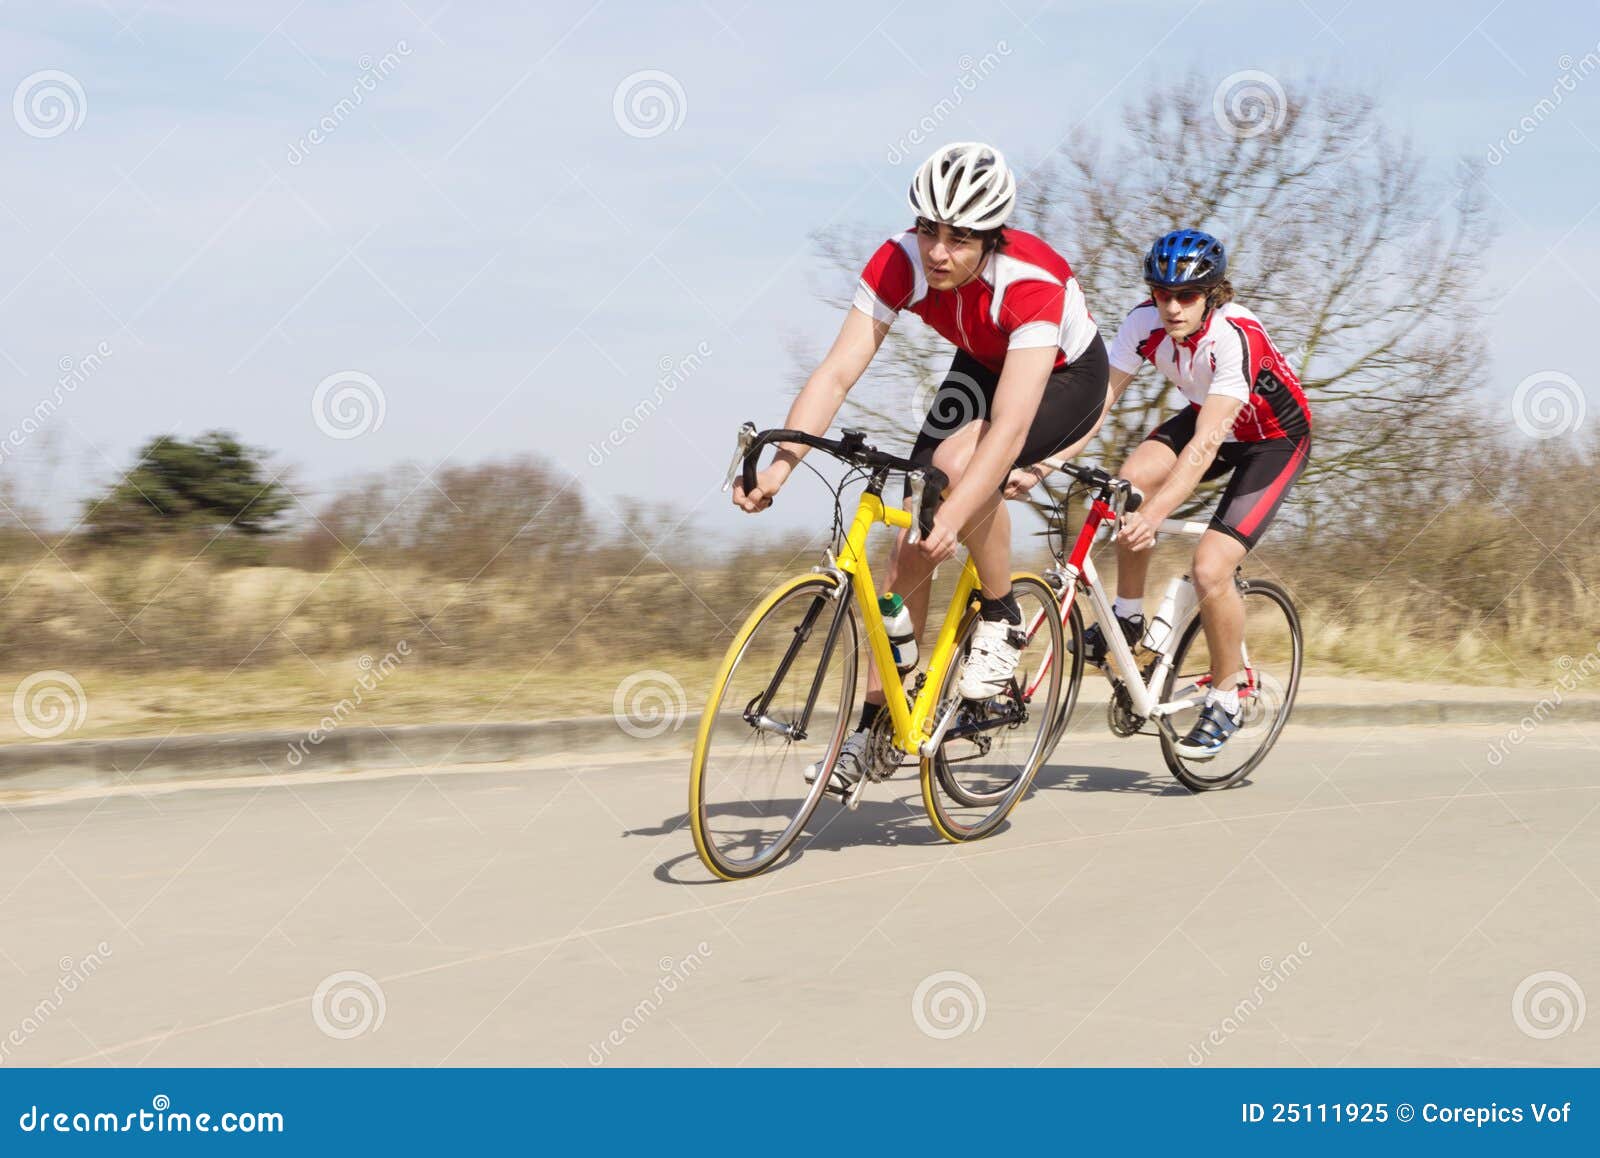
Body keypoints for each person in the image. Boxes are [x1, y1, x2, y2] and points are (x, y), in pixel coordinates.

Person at [732, 141, 1111, 789]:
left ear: (992, 239)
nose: (938, 252)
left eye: (960, 239)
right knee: (910, 545)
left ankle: (1001, 617)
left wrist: (958, 509)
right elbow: (837, 371)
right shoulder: (898, 260)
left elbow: (1011, 426)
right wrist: (780, 466)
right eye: (929, 230)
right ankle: (879, 722)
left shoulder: (1029, 283)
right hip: (983, 364)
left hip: (1064, 376)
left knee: (962, 471)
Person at [1073, 229, 1311, 758]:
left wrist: (1157, 515)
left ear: (1213, 294)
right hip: (1211, 419)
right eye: (1162, 294)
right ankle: (1129, 617)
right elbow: (1097, 403)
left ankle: (1227, 696)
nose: (1173, 308)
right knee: (1123, 490)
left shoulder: (1234, 336)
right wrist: (1045, 457)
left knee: (1210, 568)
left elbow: (1203, 448)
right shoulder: (1143, 323)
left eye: (1186, 296)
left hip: (1271, 440)